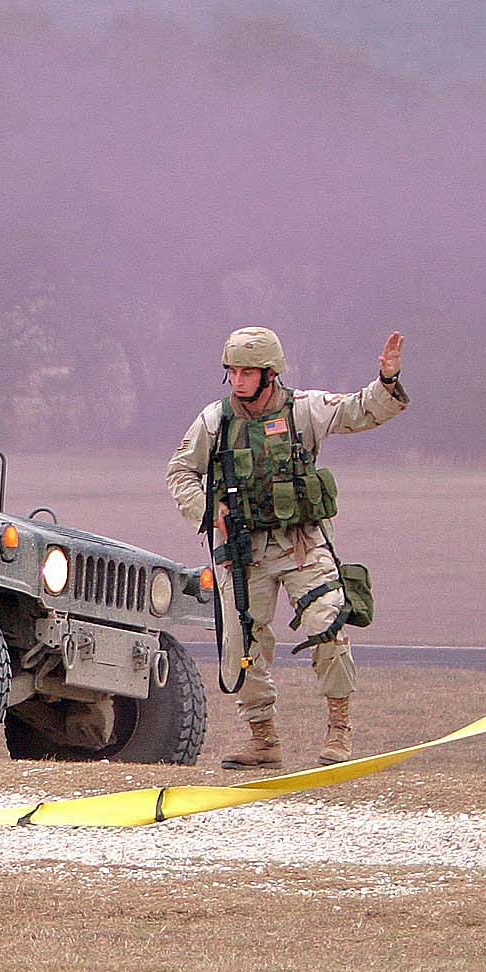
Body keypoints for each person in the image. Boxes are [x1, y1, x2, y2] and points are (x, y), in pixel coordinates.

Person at [164, 325, 408, 769]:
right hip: (243, 552)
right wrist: (207, 508)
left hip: (301, 544)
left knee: (328, 623)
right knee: (242, 645)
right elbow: (180, 472)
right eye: (232, 372)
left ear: (269, 374)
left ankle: (339, 730)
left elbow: (360, 410)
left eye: (247, 372)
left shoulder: (304, 411)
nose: (238, 381)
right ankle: (263, 738)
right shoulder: (214, 421)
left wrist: (386, 380)